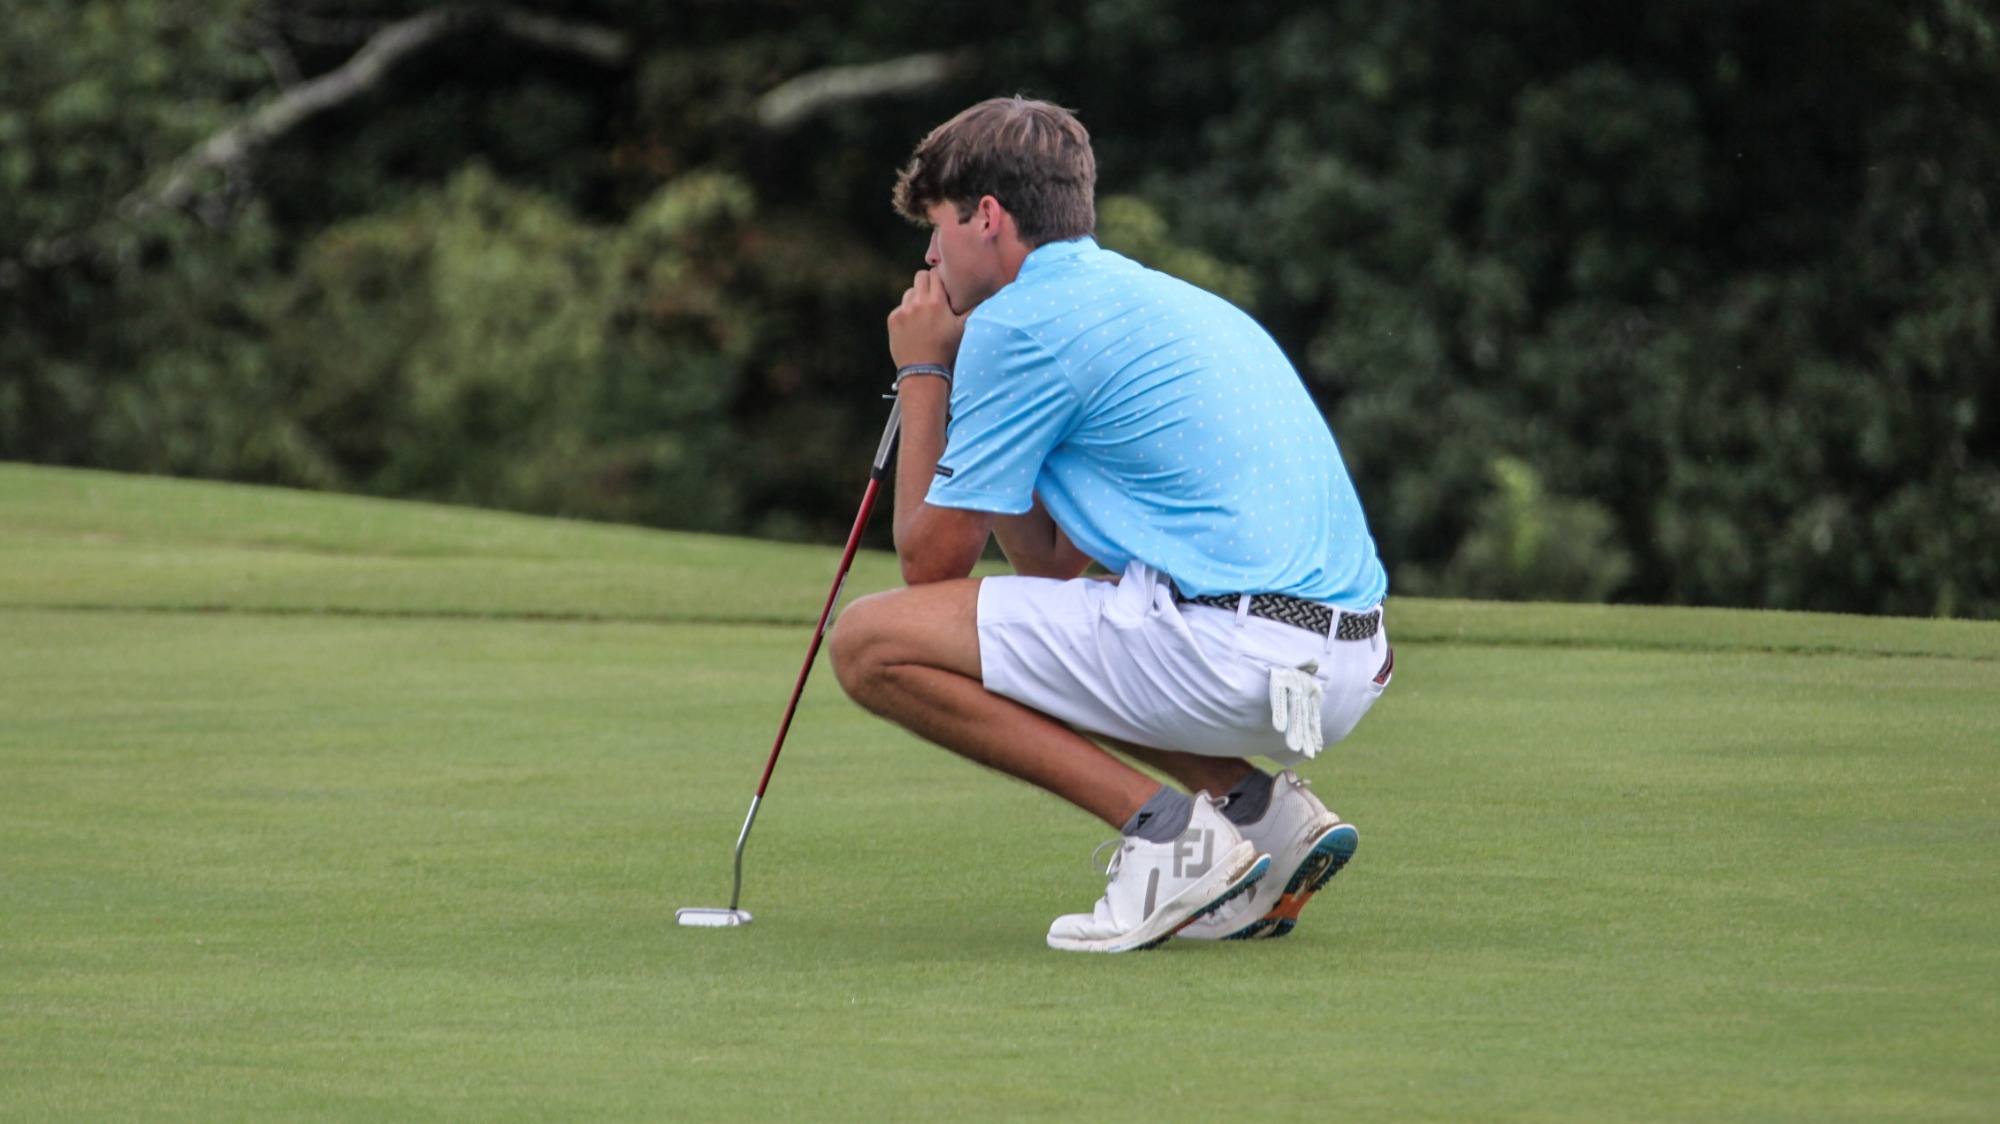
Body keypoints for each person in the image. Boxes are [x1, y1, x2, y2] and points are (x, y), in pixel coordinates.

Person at [829, 97, 1392, 953]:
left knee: (871, 642)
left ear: (988, 217)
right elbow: (1050, 569)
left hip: (1239, 655)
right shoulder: (1150, 296)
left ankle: (1168, 836)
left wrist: (921, 371)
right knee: (1044, 638)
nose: (930, 255)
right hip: (1346, 661)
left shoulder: (1018, 324)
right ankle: (1263, 817)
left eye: (937, 227)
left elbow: (929, 565)